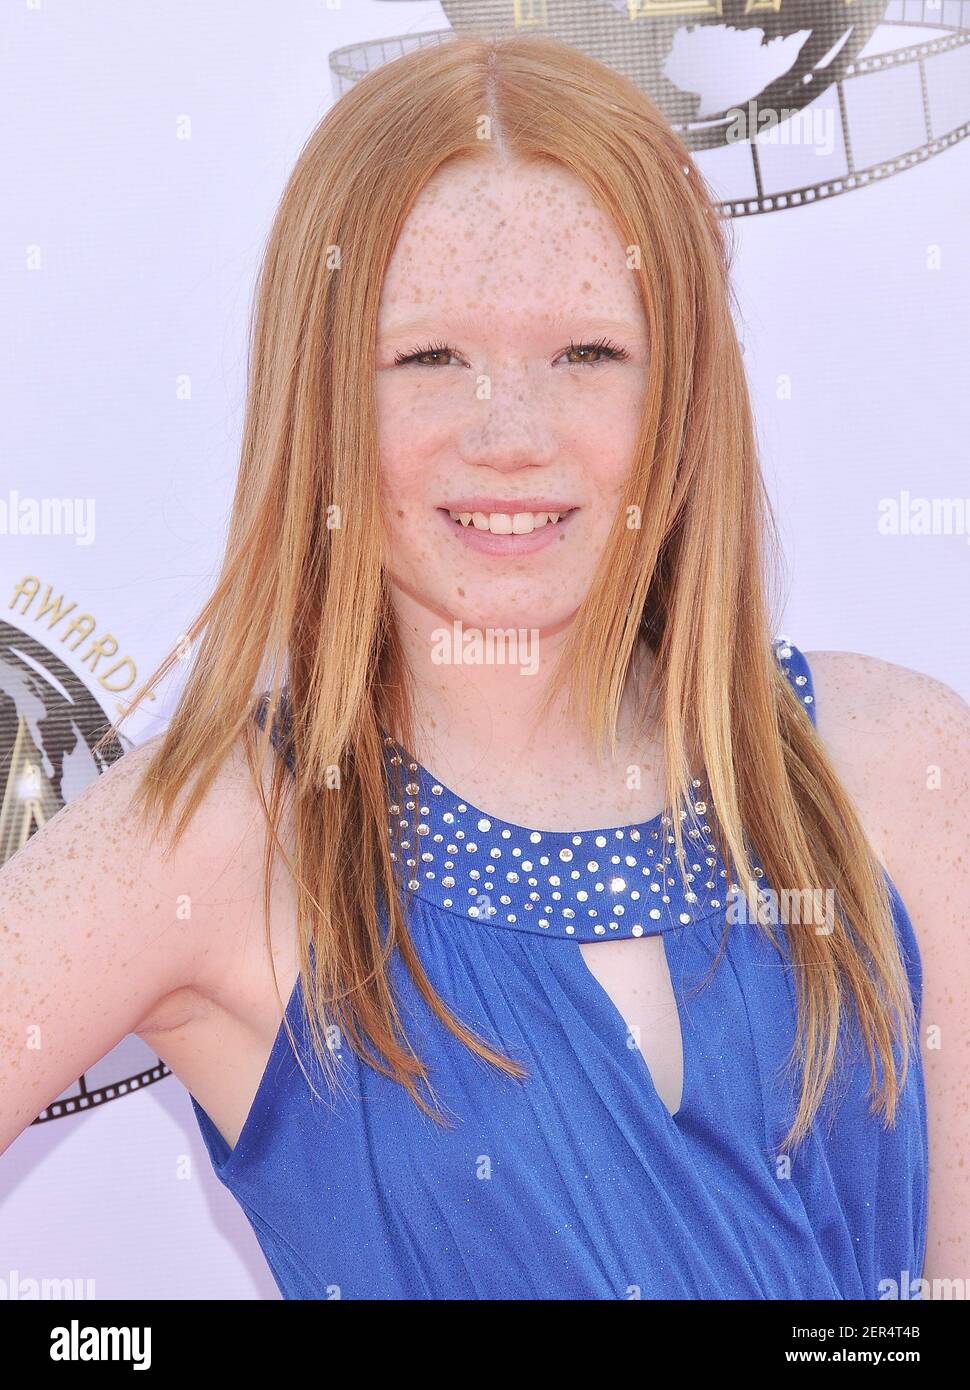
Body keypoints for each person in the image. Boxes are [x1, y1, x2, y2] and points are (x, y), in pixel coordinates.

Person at [2, 33, 967, 1301]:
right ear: (325, 393)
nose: (508, 433)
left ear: (680, 396)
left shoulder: (896, 766)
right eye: (428, 358)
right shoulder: (217, 838)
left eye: (585, 354)